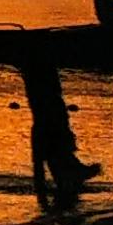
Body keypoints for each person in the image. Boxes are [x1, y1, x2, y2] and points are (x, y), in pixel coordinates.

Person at [17, 55, 95, 212]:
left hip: (48, 122)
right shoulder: (43, 78)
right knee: (54, 156)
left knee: (48, 160)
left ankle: (48, 198)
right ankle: (59, 191)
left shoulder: (36, 78)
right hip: (50, 121)